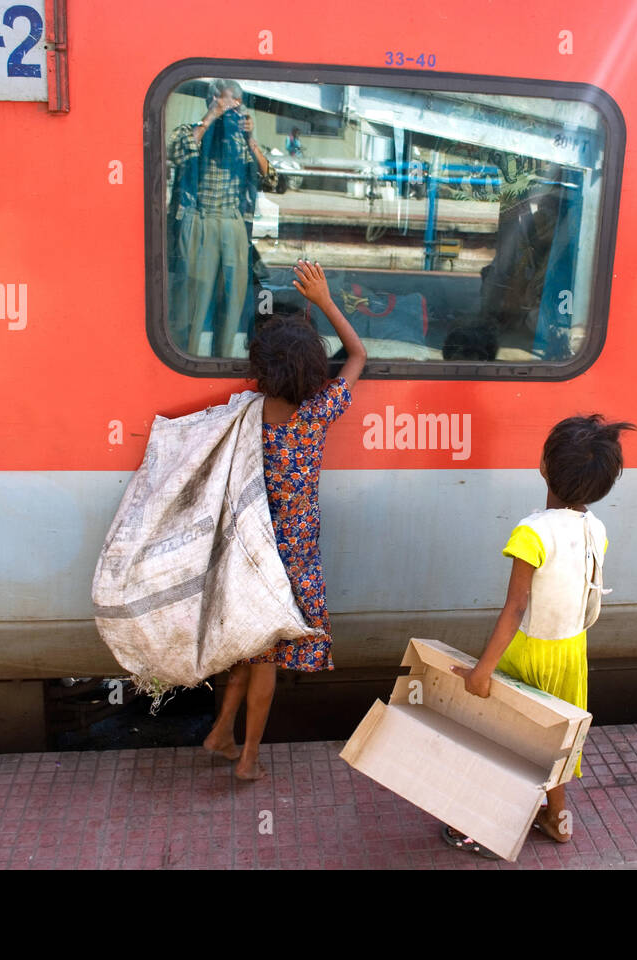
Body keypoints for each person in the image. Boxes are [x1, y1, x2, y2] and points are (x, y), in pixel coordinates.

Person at [202, 260, 367, 780]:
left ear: (260, 370)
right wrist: (323, 299)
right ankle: (248, 757)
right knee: (267, 658)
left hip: (248, 551)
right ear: (314, 371)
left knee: (249, 650)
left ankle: (220, 732)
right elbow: (359, 355)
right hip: (290, 559)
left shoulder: (247, 415)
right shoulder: (318, 412)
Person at [443, 414, 636, 857]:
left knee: (508, 737)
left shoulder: (533, 532)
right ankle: (558, 818)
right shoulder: (596, 529)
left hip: (528, 652)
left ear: (544, 466)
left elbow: (515, 608)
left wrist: (481, 671)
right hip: (571, 652)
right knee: (557, 740)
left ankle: (486, 827)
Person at [167, 79, 275, 357]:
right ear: (213, 99)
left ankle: (222, 359)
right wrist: (212, 115)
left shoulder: (241, 140)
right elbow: (178, 152)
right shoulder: (193, 130)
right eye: (227, 101)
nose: (231, 109)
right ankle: (185, 359)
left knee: (231, 300)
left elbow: (272, 179)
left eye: (236, 103)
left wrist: (252, 139)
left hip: (232, 222)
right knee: (193, 301)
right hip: (199, 218)